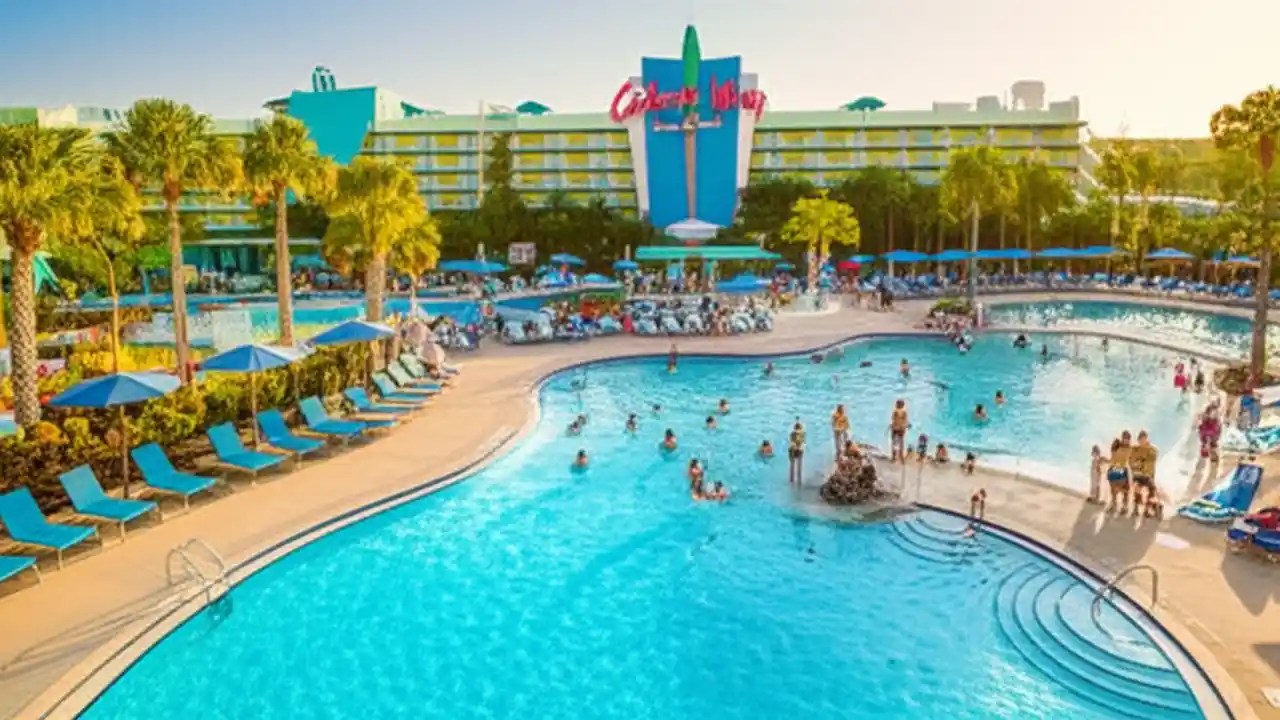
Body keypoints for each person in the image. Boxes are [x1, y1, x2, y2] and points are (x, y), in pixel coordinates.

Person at [1129, 430, 1159, 517]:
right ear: (1138, 440)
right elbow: (1131, 462)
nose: (1142, 441)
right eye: (1140, 439)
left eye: (1144, 439)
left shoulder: (1152, 450)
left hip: (1147, 476)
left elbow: (1152, 459)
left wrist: (1140, 461)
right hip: (1138, 475)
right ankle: (1136, 508)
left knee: (1152, 489)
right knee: (1136, 487)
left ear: (1146, 439)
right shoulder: (1135, 449)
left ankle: (1148, 509)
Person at [1105, 433, 1133, 514]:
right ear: (1122, 438)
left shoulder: (1130, 449)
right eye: (1125, 438)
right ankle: (1113, 504)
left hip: (1122, 469)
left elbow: (1132, 460)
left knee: (1125, 489)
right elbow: (1112, 459)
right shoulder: (1117, 446)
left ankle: (1124, 506)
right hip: (1115, 469)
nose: (1126, 440)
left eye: (1128, 439)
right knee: (1113, 489)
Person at [788, 420, 806, 485]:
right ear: (800, 427)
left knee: (792, 466)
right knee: (799, 465)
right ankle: (799, 480)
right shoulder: (803, 433)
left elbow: (791, 441)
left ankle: (791, 481)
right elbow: (803, 442)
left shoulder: (792, 433)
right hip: (800, 449)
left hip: (792, 449)